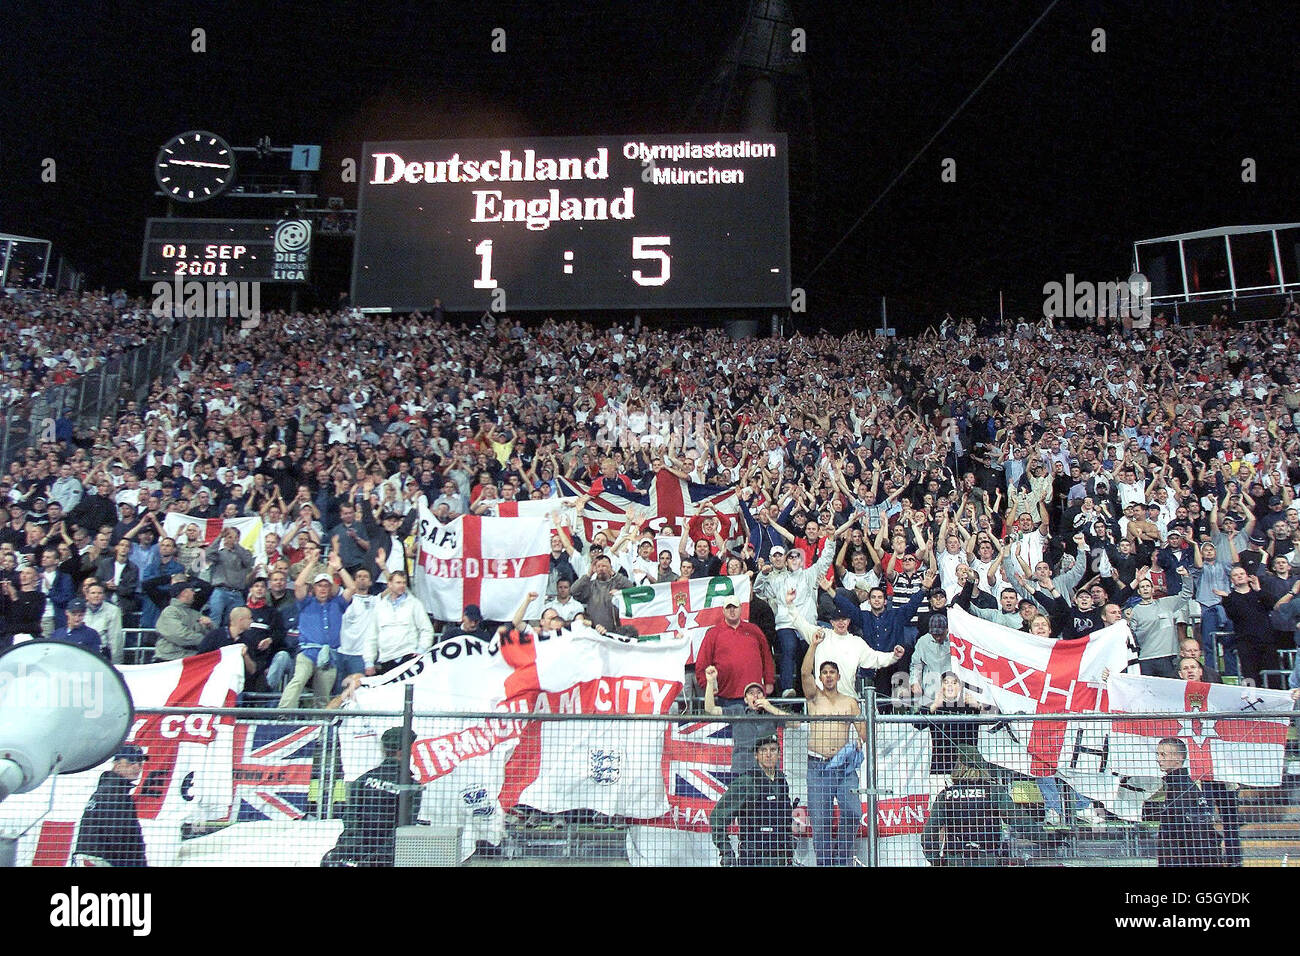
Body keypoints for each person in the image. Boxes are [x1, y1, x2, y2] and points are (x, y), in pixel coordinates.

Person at [800, 629, 865, 866]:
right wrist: (814, 645)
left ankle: (843, 860)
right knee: (821, 821)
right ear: (821, 677)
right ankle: (825, 864)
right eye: (824, 673)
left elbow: (864, 733)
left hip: (844, 768)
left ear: (838, 677)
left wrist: (859, 740)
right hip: (817, 767)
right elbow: (805, 672)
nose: (828, 676)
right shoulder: (814, 697)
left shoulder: (850, 702)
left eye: (832, 673)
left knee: (853, 813)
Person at [694, 595, 775, 771]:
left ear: (741, 609)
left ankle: (759, 778)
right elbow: (701, 664)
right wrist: (707, 685)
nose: (732, 610)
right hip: (727, 698)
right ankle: (736, 778)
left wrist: (769, 680)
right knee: (735, 746)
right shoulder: (714, 633)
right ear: (723, 611)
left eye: (735, 607)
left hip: (755, 700)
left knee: (759, 744)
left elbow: (767, 656)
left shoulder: (754, 630)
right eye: (728, 607)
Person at [321, 727, 416, 867]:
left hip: (352, 850)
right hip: (386, 857)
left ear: (384, 750)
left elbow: (350, 817)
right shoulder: (411, 786)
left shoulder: (363, 779)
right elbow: (406, 827)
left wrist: (355, 846)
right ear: (403, 752)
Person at [921, 746, 1024, 866]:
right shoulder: (993, 791)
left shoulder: (946, 795)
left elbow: (929, 833)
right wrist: (1046, 839)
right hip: (987, 859)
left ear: (958, 766)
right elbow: (1020, 821)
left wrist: (936, 861)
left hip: (955, 860)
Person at [709, 735, 794, 866]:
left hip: (780, 858)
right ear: (756, 755)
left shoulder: (781, 782)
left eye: (773, 750)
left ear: (779, 754)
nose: (768, 755)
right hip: (754, 858)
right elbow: (718, 816)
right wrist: (725, 850)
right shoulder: (747, 782)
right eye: (763, 750)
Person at [1142, 736, 1223, 867]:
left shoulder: (1183, 788)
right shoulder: (1177, 785)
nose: (1159, 759)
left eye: (1163, 755)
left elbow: (1191, 834)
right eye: (1158, 754)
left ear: (1179, 758)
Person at [72, 744, 148, 867]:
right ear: (117, 765)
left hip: (91, 858)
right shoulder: (115, 793)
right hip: (103, 861)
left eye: (140, 763)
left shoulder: (105, 790)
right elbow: (122, 841)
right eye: (131, 762)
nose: (137, 766)